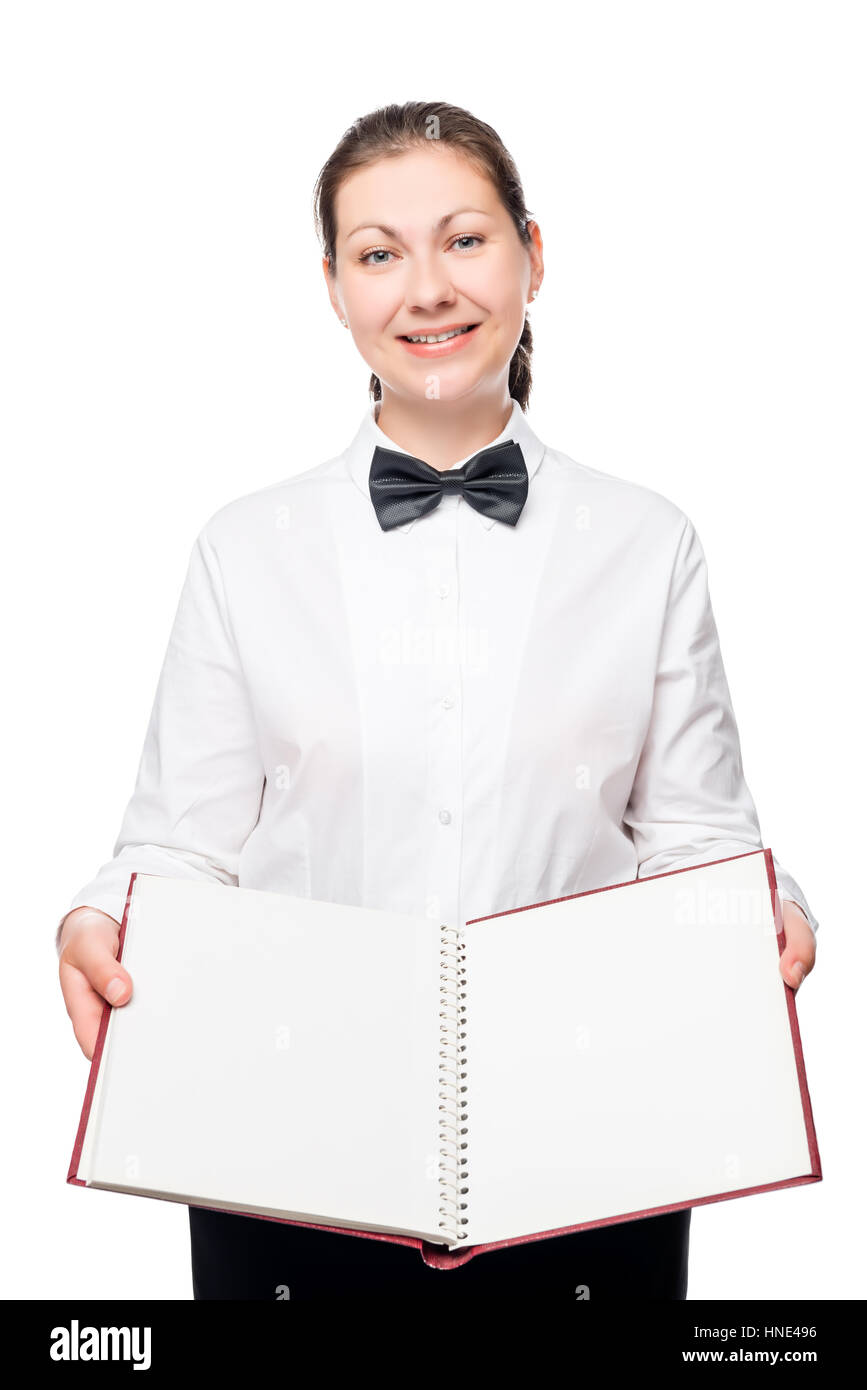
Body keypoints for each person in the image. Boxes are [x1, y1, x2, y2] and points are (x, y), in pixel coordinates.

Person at [57, 100, 818, 1302]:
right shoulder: (243, 548)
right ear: (332, 286)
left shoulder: (650, 540)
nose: (426, 289)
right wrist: (101, 918)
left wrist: (754, 910)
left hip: (588, 1158)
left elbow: (698, 836)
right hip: (289, 1151)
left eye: (464, 240)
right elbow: (178, 843)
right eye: (378, 252)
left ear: (533, 252)